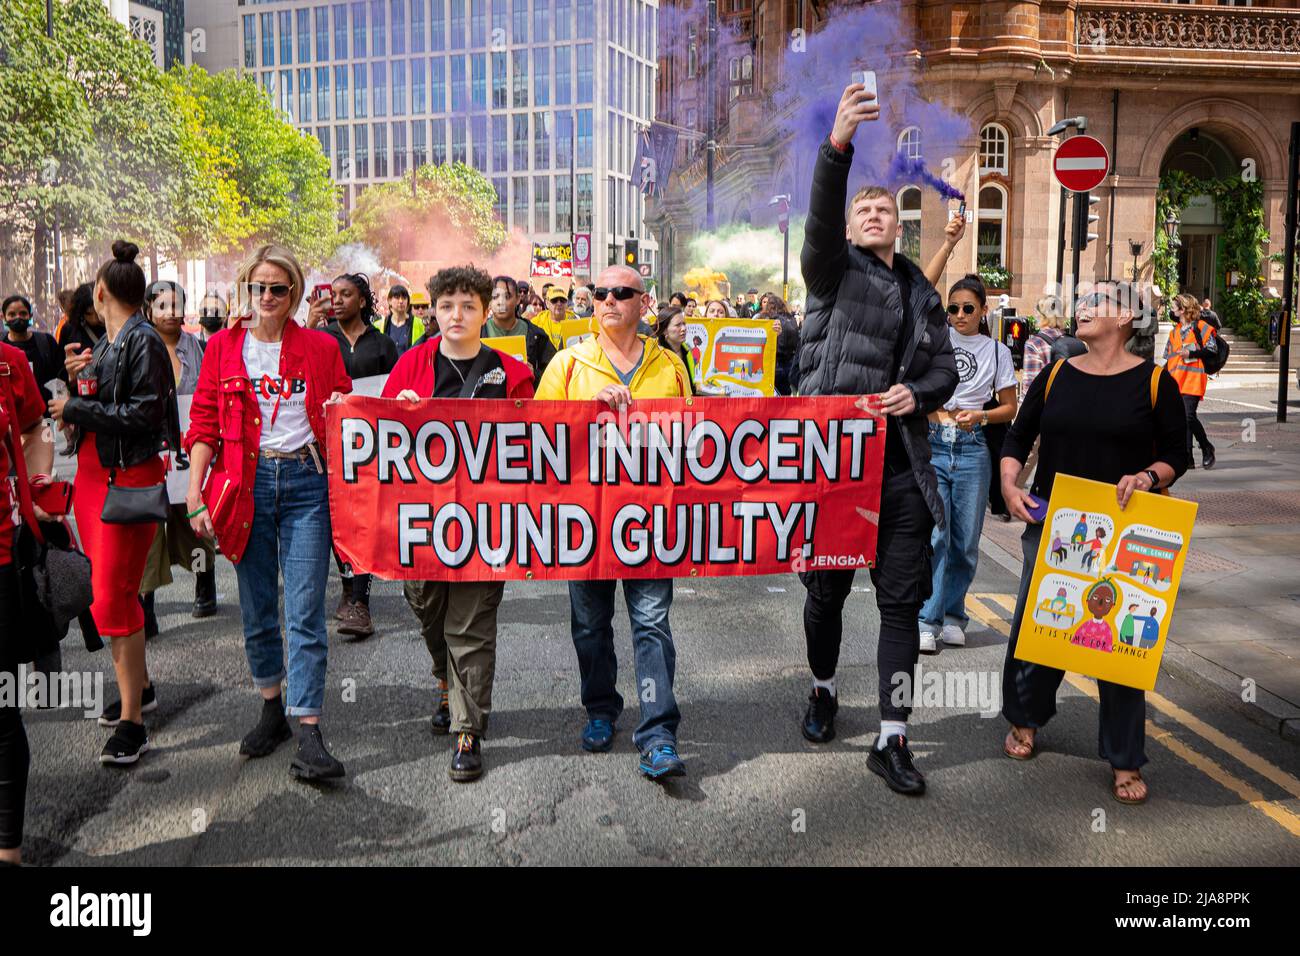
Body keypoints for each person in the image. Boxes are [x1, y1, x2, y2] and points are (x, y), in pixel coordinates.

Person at [795, 80, 958, 797]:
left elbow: (948, 371)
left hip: (899, 473)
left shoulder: (925, 291)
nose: (871, 213)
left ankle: (893, 738)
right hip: (832, 469)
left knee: (899, 606)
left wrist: (915, 394)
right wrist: (838, 145)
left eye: (882, 208)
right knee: (825, 596)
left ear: (899, 225)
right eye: (863, 208)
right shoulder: (830, 272)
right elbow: (821, 218)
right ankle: (825, 689)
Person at [999, 280, 1187, 805]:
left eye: (1098, 302)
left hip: (1126, 530)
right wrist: (1010, 482)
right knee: (1041, 626)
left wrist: (1149, 477)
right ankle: (1025, 720)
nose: (1082, 308)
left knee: (1118, 644)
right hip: (1055, 526)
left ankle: (1125, 759)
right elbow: (1018, 436)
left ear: (1128, 318)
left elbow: (1178, 453)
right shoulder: (1057, 373)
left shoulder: (1155, 382)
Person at [185, 243, 352, 781]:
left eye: (279, 288)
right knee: (257, 607)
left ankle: (308, 729)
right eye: (259, 287)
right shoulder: (222, 349)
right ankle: (270, 707)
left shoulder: (321, 348)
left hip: (305, 483)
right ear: (246, 290)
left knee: (304, 611)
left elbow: (347, 415)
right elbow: (205, 422)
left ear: (294, 293)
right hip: (244, 486)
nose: (268, 297)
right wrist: (194, 495)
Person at [535, 265, 692, 781]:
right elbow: (534, 437)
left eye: (620, 293)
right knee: (589, 625)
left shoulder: (671, 365)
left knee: (651, 623)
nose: (607, 300)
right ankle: (601, 708)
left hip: (650, 522)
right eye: (600, 292)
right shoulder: (566, 363)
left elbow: (695, 440)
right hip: (585, 521)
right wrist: (587, 410)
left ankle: (658, 732)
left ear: (643, 304)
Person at [383, 266, 535, 782]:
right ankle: (444, 681)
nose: (457, 315)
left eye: (468, 306)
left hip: (486, 522)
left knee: (470, 624)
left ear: (485, 310)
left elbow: (545, 438)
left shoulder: (512, 373)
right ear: (432, 311)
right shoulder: (409, 366)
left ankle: (468, 730)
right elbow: (375, 438)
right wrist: (390, 413)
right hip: (421, 522)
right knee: (428, 610)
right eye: (446, 305)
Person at [50, 241, 180, 766]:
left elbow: (144, 415)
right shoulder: (111, 343)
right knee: (114, 595)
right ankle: (139, 689)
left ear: (100, 292)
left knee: (112, 598)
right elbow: (110, 407)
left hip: (123, 482)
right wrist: (80, 384)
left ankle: (134, 723)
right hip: (97, 481)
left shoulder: (141, 341)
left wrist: (77, 403)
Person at [918, 274, 1017, 653]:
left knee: (965, 541)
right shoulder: (935, 342)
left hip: (974, 448)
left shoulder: (997, 352)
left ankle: (955, 614)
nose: (959, 315)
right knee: (937, 536)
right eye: (953, 308)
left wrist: (980, 416)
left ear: (983, 311)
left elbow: (1010, 407)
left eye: (967, 308)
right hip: (935, 446)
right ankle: (928, 619)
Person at [308, 272, 399, 638]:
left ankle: (360, 600)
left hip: (368, 448)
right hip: (325, 446)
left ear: (362, 301)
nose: (338, 300)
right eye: (334, 295)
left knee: (363, 517)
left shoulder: (382, 344)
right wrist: (309, 325)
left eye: (346, 294)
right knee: (335, 519)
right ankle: (349, 587)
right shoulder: (319, 339)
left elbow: (392, 393)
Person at [0, 339, 53, 864]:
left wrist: (37, 480)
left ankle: (8, 853)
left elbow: (36, 428)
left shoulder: (10, 364)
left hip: (2, 560)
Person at [138, 280, 217, 635]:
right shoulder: (138, 349)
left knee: (194, 521)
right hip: (152, 454)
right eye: (162, 305)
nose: (170, 312)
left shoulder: (201, 349)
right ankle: (146, 605)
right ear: (148, 310)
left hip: (191, 453)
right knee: (149, 529)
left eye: (176, 305)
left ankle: (205, 586)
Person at [1164, 294, 1218, 470]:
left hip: (1194, 379)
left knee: (1188, 416)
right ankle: (1187, 457)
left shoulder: (1202, 328)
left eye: (1174, 307)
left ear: (1183, 309)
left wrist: (1192, 353)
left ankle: (1206, 447)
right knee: (1183, 418)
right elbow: (1169, 357)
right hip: (1176, 380)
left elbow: (1212, 349)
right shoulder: (1174, 332)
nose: (1171, 310)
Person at [487, 274, 557, 377]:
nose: (500, 302)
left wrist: (535, 374)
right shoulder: (477, 333)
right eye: (495, 297)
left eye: (507, 296)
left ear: (518, 299)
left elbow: (555, 371)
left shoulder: (535, 335)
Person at [3, 294, 65, 403]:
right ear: (3, 318)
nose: (18, 318)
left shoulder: (46, 342)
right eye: (12, 314)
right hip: (10, 414)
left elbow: (60, 378)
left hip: (45, 414)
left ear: (30, 316)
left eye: (23, 313)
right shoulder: (1, 345)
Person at [1023, 295, 1068, 401]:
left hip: (1045, 408)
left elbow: (1030, 387)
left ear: (1041, 315)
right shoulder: (1072, 341)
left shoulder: (1034, 344)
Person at [655, 305, 698, 394]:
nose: (683, 329)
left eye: (684, 324)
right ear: (664, 330)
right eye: (678, 325)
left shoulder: (687, 351)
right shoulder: (656, 354)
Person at [56, 282, 105, 356]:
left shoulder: (113, 326)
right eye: (89, 314)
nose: (95, 319)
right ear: (80, 313)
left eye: (98, 312)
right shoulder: (69, 330)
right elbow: (61, 363)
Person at [374, 284, 424, 355]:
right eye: (397, 297)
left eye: (404, 298)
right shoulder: (378, 325)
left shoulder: (420, 323)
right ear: (389, 301)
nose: (401, 301)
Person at [531, 284, 575, 351]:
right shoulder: (537, 321)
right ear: (547, 303)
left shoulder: (574, 321)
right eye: (554, 300)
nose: (559, 303)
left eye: (562, 300)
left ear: (566, 303)